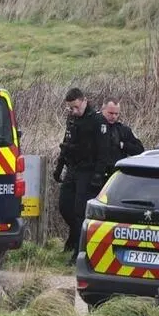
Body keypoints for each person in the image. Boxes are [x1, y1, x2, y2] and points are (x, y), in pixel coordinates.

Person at [53, 87, 107, 257]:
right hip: (72, 169)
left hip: (87, 171)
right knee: (64, 206)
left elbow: (103, 150)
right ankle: (75, 237)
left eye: (76, 107)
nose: (74, 111)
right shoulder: (72, 118)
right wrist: (59, 166)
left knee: (79, 212)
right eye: (70, 108)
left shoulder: (97, 120)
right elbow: (66, 142)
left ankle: (79, 251)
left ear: (84, 101)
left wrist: (98, 174)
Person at [93, 99, 145, 188]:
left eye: (116, 114)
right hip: (94, 174)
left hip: (115, 176)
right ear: (103, 109)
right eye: (110, 113)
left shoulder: (123, 130)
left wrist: (123, 145)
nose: (113, 116)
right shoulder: (93, 126)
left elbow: (139, 149)